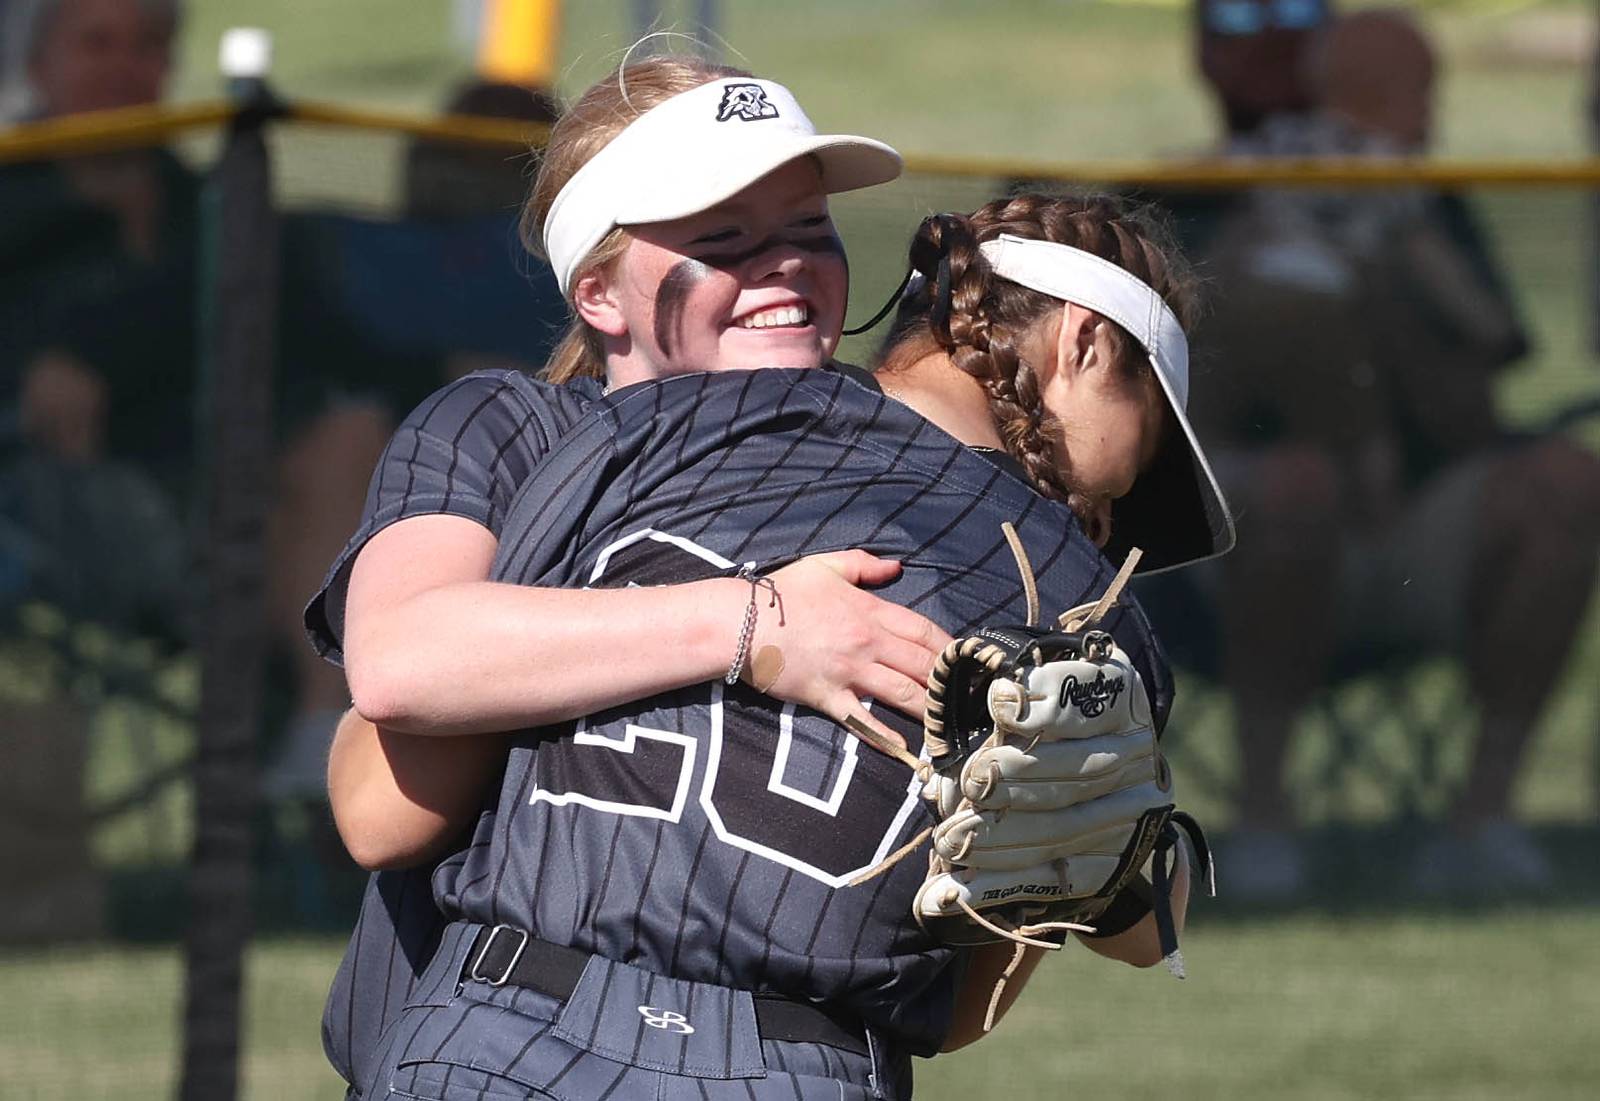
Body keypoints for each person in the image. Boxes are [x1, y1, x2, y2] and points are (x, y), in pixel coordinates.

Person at [309, 60, 1231, 1099]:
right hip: (584, 1032)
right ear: (598, 292)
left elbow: (384, 784)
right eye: (724, 242)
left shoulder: (987, 551)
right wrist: (754, 625)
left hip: (634, 1038)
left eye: (807, 229)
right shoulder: (521, 432)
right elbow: (388, 739)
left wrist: (1082, 862)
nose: (784, 270)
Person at [1154, 5, 1600, 897]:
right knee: (1297, 483)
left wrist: (1399, 229)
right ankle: (1266, 822)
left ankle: (1485, 817)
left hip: (1412, 529)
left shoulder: (1419, 194)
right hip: (1226, 546)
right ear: (1205, 50)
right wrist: (1260, 230)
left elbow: (1493, 352)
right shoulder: (1167, 196)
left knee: (1565, 480)